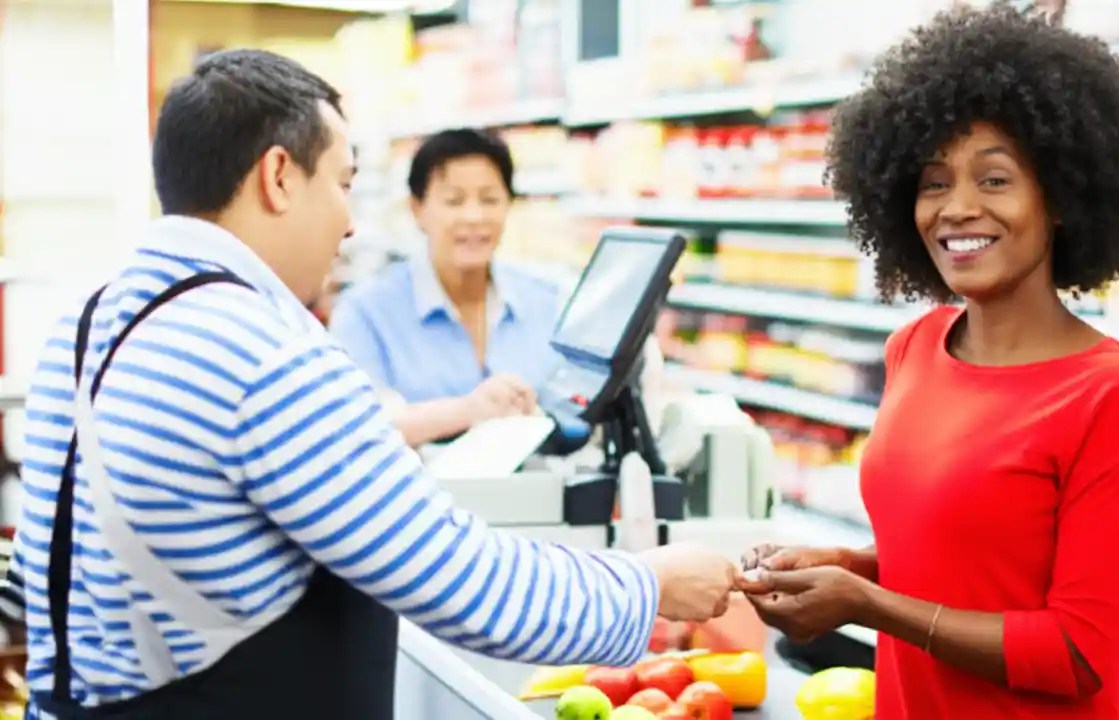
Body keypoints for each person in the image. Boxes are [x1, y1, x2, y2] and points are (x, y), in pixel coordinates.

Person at [13, 49, 735, 720]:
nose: (351, 223)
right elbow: (468, 585)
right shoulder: (265, 355)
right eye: (343, 183)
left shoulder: (83, 324)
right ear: (277, 177)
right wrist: (647, 585)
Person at [738, 6, 1119, 719]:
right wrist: (849, 568)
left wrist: (869, 605)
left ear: (1059, 197)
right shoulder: (915, 346)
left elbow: (1078, 652)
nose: (956, 207)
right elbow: (963, 562)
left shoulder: (1111, 392)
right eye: (934, 182)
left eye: (994, 180)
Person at [328, 129, 562, 446]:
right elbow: (361, 427)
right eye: (454, 201)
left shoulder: (548, 302)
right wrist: (469, 410)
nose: (474, 216)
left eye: (490, 199)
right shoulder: (365, 313)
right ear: (417, 209)